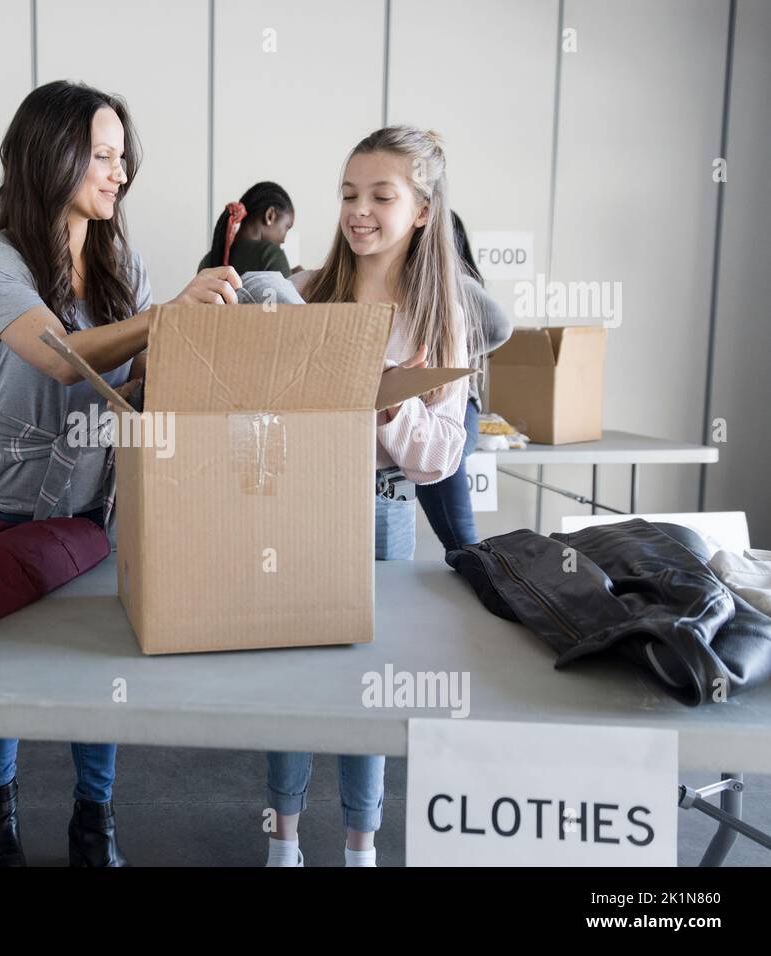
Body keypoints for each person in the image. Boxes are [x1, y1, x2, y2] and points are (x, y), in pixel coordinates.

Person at [0, 79, 241, 867]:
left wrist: (200, 342)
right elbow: (57, 359)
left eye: (125, 158)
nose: (119, 173)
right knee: (5, 672)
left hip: (103, 506)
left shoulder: (122, 262)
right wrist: (166, 317)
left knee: (100, 670)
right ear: (54, 155)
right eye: (103, 155)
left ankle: (95, 819)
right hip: (15, 505)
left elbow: (148, 369)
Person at [268, 126, 483, 867]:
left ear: (422, 210)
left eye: (381, 196)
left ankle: (361, 848)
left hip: (382, 516)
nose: (359, 211)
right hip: (297, 509)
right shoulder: (306, 292)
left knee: (366, 693)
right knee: (294, 691)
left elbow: (439, 462)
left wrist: (393, 405)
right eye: (350, 194)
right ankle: (284, 843)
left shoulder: (442, 316)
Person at [415, 211, 513, 553]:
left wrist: (451, 354)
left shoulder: (454, 282)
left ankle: (475, 562)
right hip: (412, 404)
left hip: (457, 407)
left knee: (440, 453)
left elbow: (500, 328)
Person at [198, 181, 297, 277]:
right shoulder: (270, 254)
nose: (284, 240)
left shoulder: (208, 260)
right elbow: (284, 294)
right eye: (287, 227)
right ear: (270, 215)